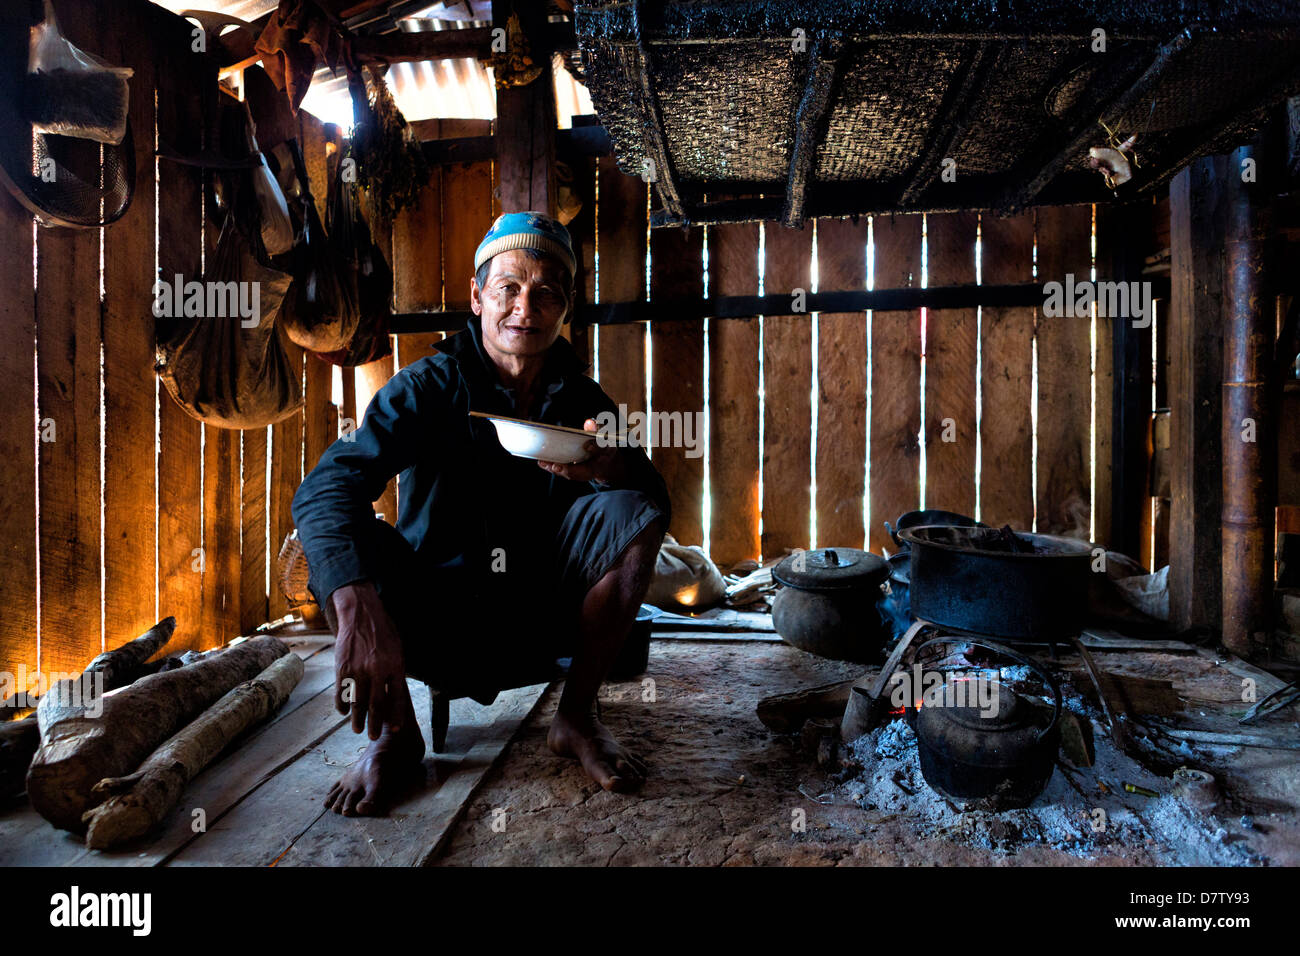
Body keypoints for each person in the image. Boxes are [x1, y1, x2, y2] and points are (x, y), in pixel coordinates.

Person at [291, 212, 670, 816]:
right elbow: (323, 489)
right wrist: (357, 602)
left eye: (547, 292)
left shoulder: (582, 398)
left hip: (540, 617)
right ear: (477, 296)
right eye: (509, 289)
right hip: (434, 615)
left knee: (633, 512)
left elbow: (653, 501)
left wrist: (605, 467)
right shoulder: (428, 386)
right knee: (341, 540)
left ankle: (574, 718)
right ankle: (396, 735)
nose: (526, 306)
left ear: (564, 306)